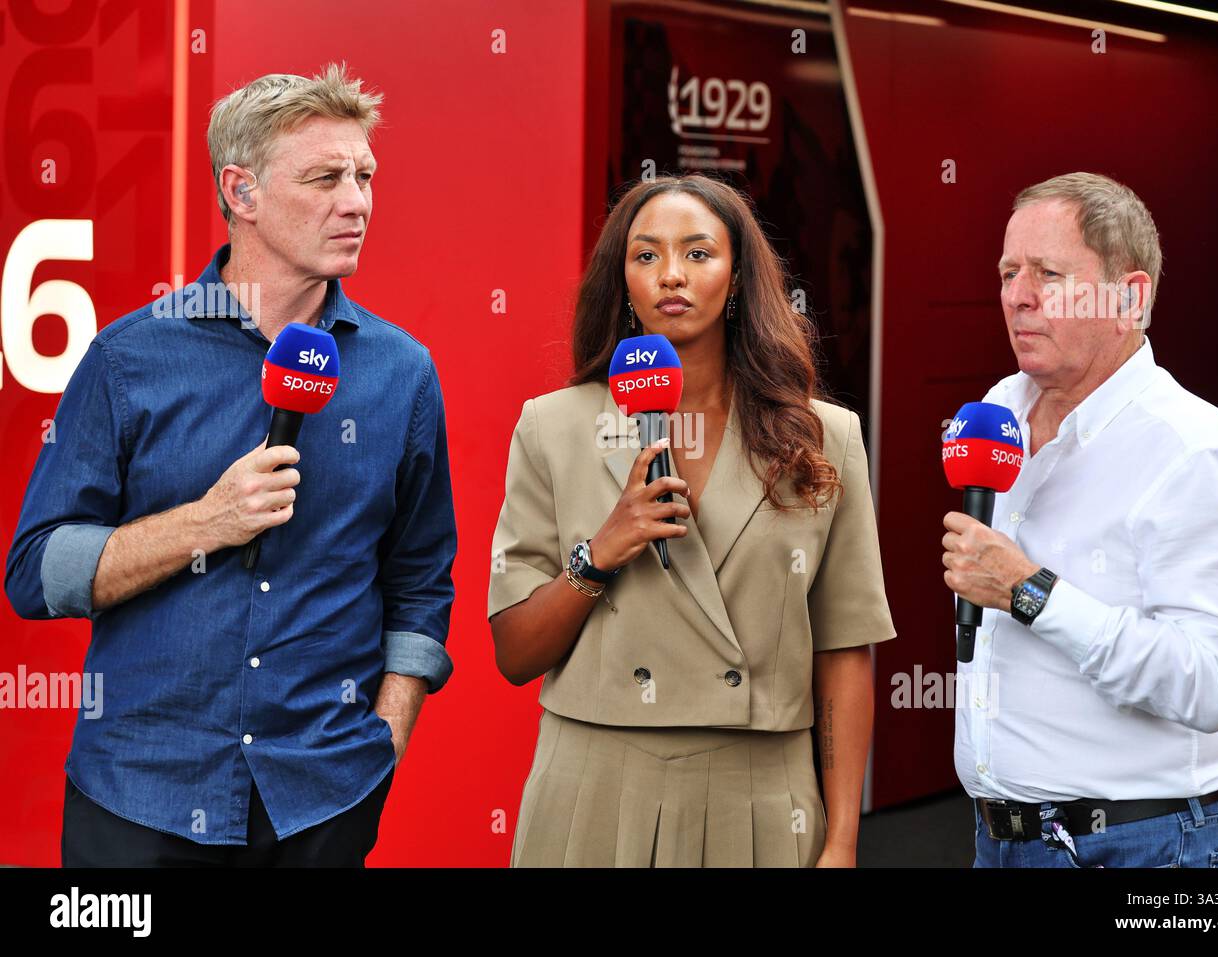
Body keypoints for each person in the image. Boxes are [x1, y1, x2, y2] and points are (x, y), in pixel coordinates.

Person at [5, 63, 456, 866]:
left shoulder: (403, 373)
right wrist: (204, 522)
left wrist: (381, 747)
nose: (356, 202)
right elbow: (37, 573)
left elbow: (419, 583)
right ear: (241, 192)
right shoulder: (129, 357)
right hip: (137, 797)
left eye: (364, 176)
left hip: (321, 802)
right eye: (324, 178)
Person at [488, 173, 896, 867]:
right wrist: (599, 554)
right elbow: (515, 653)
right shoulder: (551, 427)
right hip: (594, 789)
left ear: (737, 279)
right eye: (645, 256)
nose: (670, 274)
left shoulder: (822, 438)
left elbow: (845, 649)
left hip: (762, 792)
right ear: (622, 282)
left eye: (698, 253)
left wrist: (841, 841)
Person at [942, 171, 1218, 868]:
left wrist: (1032, 592)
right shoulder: (998, 407)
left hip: (1143, 845)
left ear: (1129, 297)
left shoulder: (1195, 450)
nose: (1017, 295)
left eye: (1048, 273)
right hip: (998, 839)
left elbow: (1210, 682)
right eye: (1008, 272)